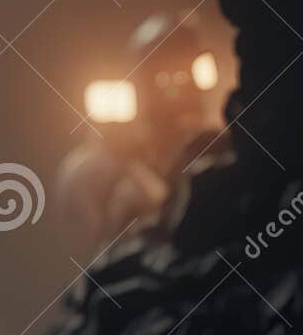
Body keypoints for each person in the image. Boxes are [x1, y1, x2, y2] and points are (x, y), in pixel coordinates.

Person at [59, 13, 230, 253]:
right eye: (161, 75)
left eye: (185, 71)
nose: (176, 88)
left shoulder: (221, 147)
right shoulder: (111, 170)